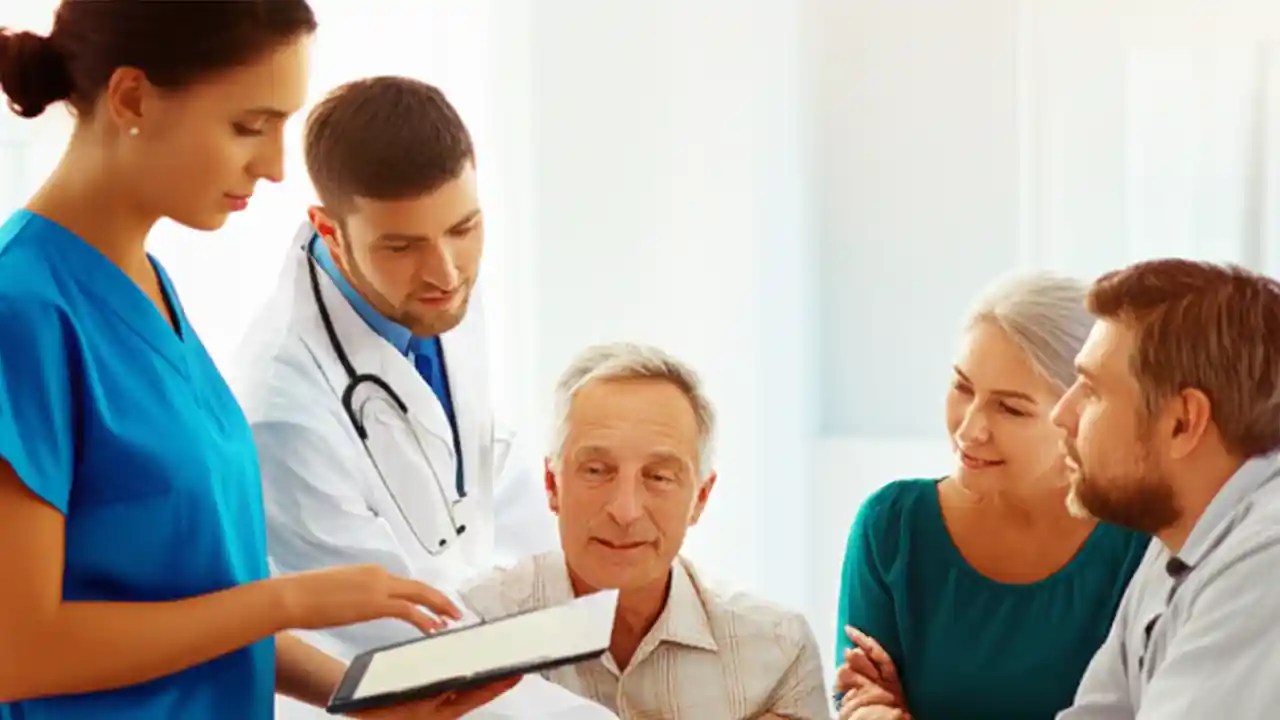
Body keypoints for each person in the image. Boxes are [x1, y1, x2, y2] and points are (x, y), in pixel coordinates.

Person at [0, 4, 514, 718]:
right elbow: (19, 650)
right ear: (133, 99)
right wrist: (290, 600)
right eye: (249, 126)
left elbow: (190, 600)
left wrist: (354, 695)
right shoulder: (23, 309)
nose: (274, 167)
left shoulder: (145, 287)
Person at [228, 77, 579, 717]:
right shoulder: (284, 412)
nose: (445, 271)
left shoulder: (432, 291)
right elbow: (406, 655)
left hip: (488, 648)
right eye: (401, 245)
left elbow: (477, 478)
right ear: (329, 231)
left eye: (464, 227)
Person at [833, 273, 1149, 720]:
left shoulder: (1144, 546)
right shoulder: (892, 528)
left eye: (1010, 408)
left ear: (1081, 413)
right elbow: (859, 703)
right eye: (963, 388)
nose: (969, 430)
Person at [462, 342, 831, 719]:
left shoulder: (779, 650)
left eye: (659, 477)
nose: (625, 511)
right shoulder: (472, 628)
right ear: (551, 484)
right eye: (596, 471)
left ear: (700, 498)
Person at [1053, 259, 1280, 719]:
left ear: (1182, 422)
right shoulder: (1183, 525)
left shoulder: (1266, 565)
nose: (1062, 413)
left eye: (1091, 391)